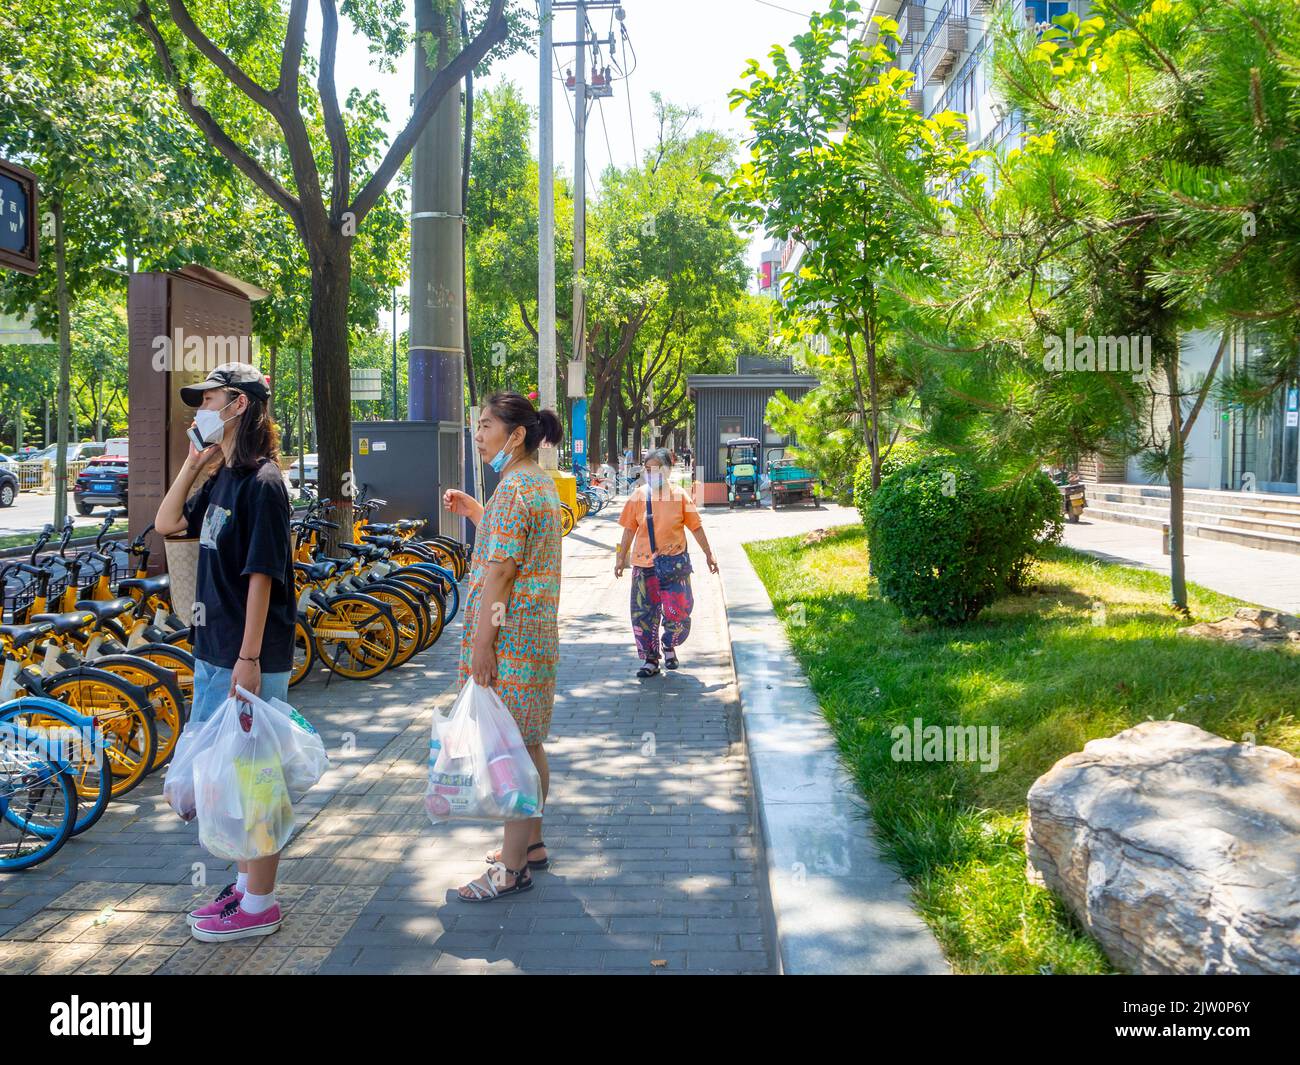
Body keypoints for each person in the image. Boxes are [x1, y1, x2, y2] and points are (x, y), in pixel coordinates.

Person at [154, 362, 296, 942]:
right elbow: (167, 524)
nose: (198, 412)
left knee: (256, 779)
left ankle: (260, 903)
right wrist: (192, 463)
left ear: (238, 404)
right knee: (228, 782)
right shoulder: (223, 478)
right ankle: (243, 889)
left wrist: (250, 658)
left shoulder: (263, 482)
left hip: (246, 655)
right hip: (214, 651)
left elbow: (264, 573)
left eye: (207, 400)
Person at [443, 392, 564, 902]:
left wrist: (482, 645)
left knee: (512, 751)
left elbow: (500, 572)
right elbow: (510, 546)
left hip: (511, 639)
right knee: (529, 742)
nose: (478, 435)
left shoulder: (515, 489)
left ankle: (512, 870)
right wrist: (478, 512)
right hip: (535, 636)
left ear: (515, 435)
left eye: (486, 425)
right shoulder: (535, 483)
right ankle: (530, 844)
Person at [614, 448, 718, 677]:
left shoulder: (680, 495)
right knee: (643, 614)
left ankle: (669, 644)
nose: (651, 473)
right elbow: (628, 531)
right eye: (647, 469)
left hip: (674, 566)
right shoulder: (638, 496)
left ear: (668, 470)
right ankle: (650, 660)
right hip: (644, 567)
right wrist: (620, 557)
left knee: (678, 610)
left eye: (656, 469)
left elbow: (696, 527)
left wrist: (709, 554)